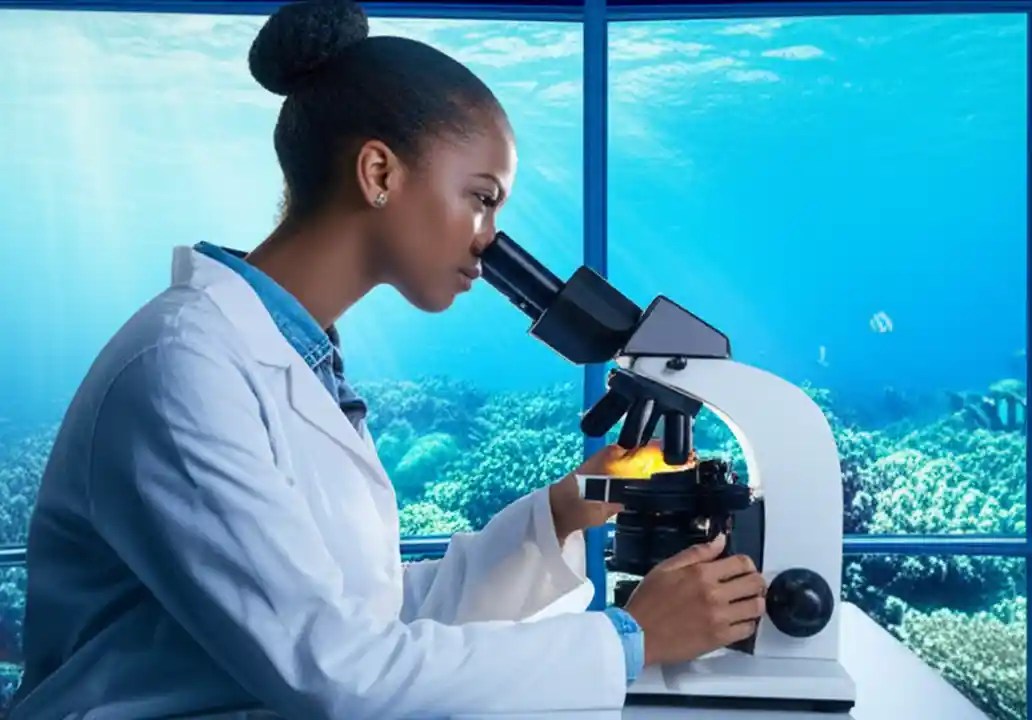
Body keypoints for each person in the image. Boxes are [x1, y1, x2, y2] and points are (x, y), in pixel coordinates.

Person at [10, 1, 767, 718]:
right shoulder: (183, 370)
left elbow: (372, 621)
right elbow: (337, 672)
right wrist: (631, 640)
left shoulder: (293, 359)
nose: (490, 239)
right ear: (378, 174)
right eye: (481, 197)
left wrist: (563, 512)